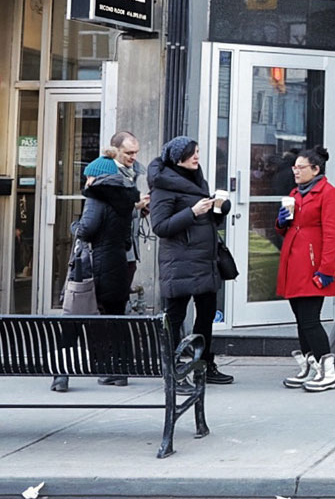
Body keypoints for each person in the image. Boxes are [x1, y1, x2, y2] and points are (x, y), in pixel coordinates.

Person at [147, 136, 234, 385]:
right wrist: (192, 212)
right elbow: (160, 226)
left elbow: (205, 222)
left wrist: (218, 209)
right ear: (178, 157)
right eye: (192, 153)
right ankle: (172, 370)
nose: (197, 156)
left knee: (206, 315)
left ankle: (204, 366)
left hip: (204, 260)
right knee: (175, 317)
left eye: (197, 151)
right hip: (180, 262)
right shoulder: (163, 185)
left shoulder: (197, 179)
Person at [67, 131, 146, 388]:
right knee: (115, 313)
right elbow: (121, 230)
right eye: (129, 153)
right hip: (118, 260)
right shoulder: (123, 195)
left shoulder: (97, 198)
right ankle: (117, 367)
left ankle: (100, 365)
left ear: (95, 178)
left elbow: (87, 230)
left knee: (84, 313)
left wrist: (74, 226)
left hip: (99, 262)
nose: (134, 158)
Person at [275, 146, 335, 392]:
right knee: (301, 319)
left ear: (316, 169)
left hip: (312, 265)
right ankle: (311, 366)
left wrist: (326, 268)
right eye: (294, 167)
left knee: (310, 320)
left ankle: (328, 371)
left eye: (301, 167)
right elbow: (287, 228)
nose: (295, 171)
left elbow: (331, 234)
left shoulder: (329, 194)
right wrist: (281, 221)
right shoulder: (296, 193)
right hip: (294, 263)